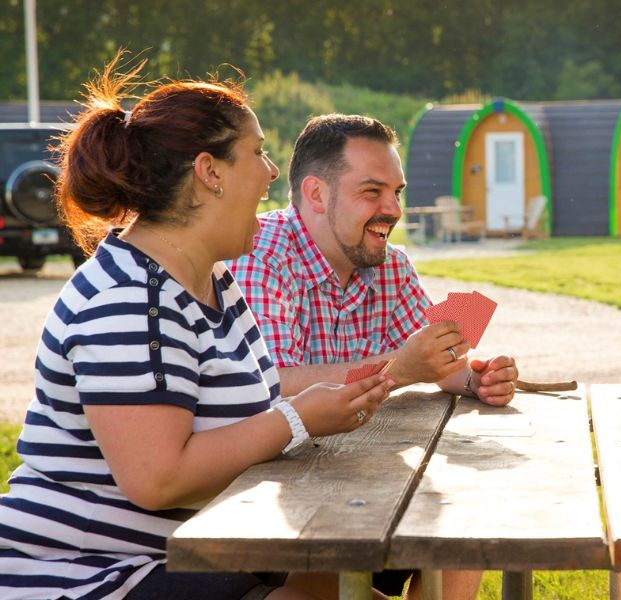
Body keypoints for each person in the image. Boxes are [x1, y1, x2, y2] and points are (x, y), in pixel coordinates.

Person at [0, 58, 395, 600]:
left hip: (190, 555)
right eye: (257, 153)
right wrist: (298, 419)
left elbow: (244, 396)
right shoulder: (130, 299)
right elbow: (158, 478)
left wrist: (338, 396)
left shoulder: (210, 279)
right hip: (92, 574)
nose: (272, 173)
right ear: (210, 172)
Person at [228, 114, 516, 599]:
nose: (393, 209)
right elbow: (270, 383)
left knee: (466, 527)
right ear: (317, 195)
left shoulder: (390, 264)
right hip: (276, 512)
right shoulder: (262, 255)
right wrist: (400, 368)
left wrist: (476, 379)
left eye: (397, 192)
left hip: (366, 488)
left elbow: (431, 357)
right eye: (372, 192)